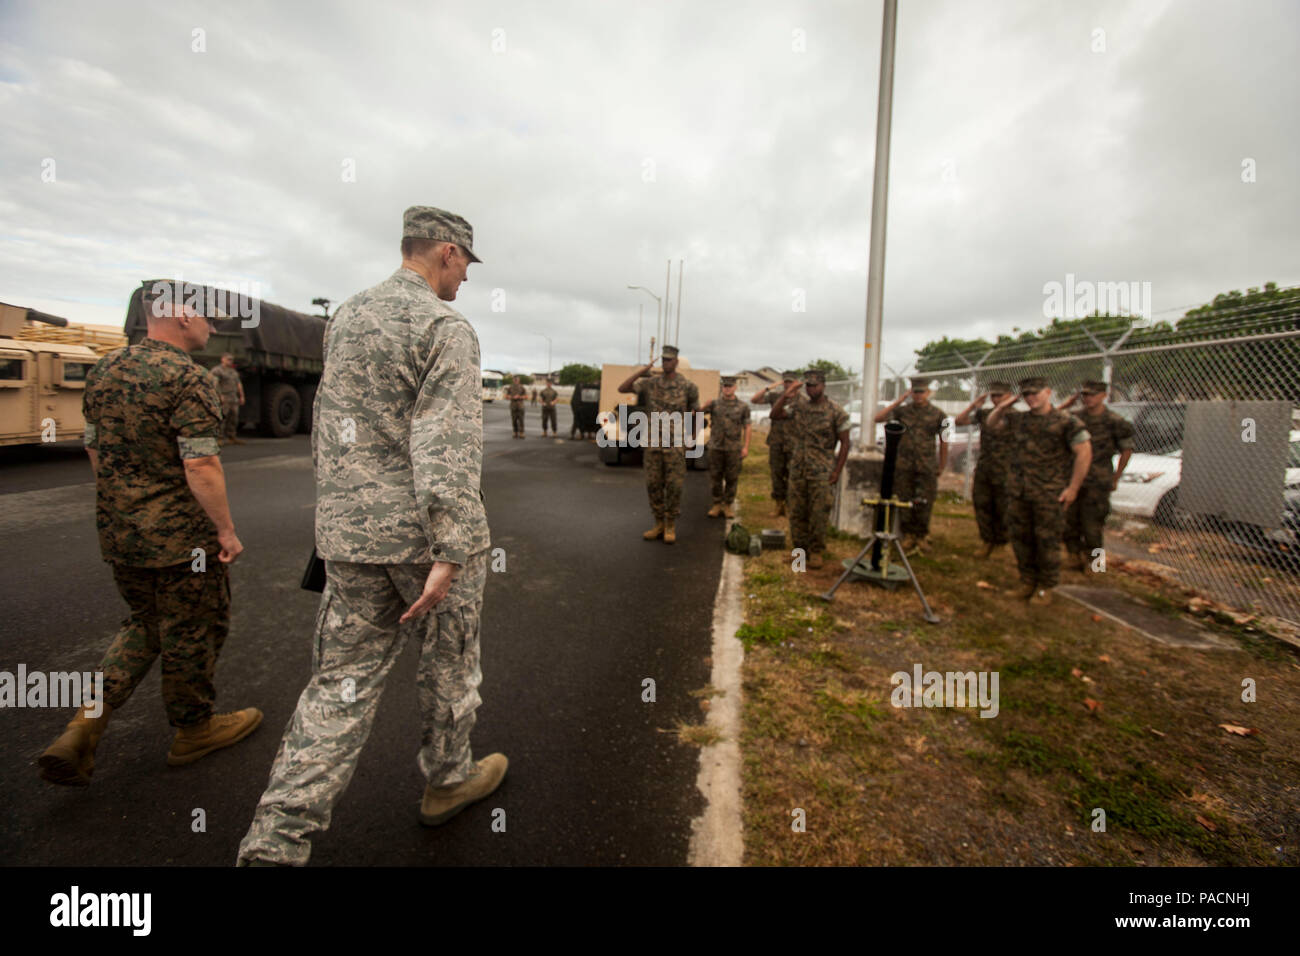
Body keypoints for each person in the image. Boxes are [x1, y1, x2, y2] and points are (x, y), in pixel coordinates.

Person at [237, 205, 504, 866]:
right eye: (466, 264)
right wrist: (451, 546)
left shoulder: (349, 315)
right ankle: (446, 781)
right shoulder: (444, 326)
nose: (466, 278)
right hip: (422, 542)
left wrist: (336, 522)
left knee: (338, 689)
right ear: (445, 251)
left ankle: (273, 845)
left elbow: (332, 429)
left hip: (349, 539)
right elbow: (444, 448)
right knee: (448, 669)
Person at [38, 291, 260, 787]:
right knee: (192, 629)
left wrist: (126, 495)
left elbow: (92, 446)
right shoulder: (187, 377)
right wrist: (224, 530)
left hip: (121, 529)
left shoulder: (104, 368)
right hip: (182, 539)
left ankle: (86, 723)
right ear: (182, 316)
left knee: (144, 624)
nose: (211, 327)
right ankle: (194, 729)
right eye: (205, 316)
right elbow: (200, 462)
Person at [986, 376, 1092, 604]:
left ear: (1048, 392)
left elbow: (1084, 452)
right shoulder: (1020, 420)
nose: (1031, 398)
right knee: (1021, 538)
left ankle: (1091, 568)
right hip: (1021, 491)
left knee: (1082, 532)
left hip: (1051, 492)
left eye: (1035, 393)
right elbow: (992, 424)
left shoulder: (1067, 421)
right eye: (1026, 394)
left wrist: (1074, 487)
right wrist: (1004, 405)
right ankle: (1028, 580)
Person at [618, 345, 699, 544]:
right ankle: (658, 523)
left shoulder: (688, 386)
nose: (666, 363)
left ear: (676, 362)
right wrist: (643, 370)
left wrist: (693, 439)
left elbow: (695, 413)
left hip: (675, 444)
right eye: (663, 360)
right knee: (653, 485)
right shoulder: (650, 383)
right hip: (653, 443)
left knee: (674, 485)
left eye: (669, 360)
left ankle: (670, 524)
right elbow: (623, 388)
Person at [770, 369, 850, 570]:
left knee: (818, 513)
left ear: (823, 386)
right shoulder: (799, 406)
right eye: (808, 385)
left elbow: (846, 443)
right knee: (797, 512)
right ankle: (799, 553)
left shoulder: (836, 411)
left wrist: (836, 471)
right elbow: (775, 414)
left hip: (821, 470)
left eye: (815, 385)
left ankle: (816, 552)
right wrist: (785, 396)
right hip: (798, 469)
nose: (811, 389)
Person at [1058, 380, 1134, 573]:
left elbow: (1126, 450)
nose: (1088, 399)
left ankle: (1097, 565)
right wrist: (1068, 402)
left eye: (1092, 395)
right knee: (1068, 521)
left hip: (1098, 482)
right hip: (1072, 478)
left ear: (1103, 396)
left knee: (1093, 526)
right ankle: (1074, 557)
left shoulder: (1115, 421)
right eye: (1085, 395)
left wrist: (1116, 477)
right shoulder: (1074, 418)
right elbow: (1052, 418)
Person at [875, 377, 948, 553]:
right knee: (904, 498)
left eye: (922, 392)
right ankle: (908, 535)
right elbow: (878, 418)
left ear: (928, 393)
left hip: (926, 464)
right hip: (904, 465)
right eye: (915, 392)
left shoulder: (939, 414)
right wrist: (899, 400)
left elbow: (945, 440)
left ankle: (921, 536)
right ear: (911, 393)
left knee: (925, 500)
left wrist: (942, 465)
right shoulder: (902, 412)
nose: (918, 395)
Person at [954, 381, 1015, 557]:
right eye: (993, 396)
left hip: (1006, 470)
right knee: (982, 504)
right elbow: (959, 421)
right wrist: (974, 405)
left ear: (1009, 396)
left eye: (1000, 396)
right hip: (985, 467)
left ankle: (1001, 542)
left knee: (1003, 507)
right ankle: (987, 541)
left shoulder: (1017, 416)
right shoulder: (984, 414)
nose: (996, 399)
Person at [702, 375, 751, 518]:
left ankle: (728, 505)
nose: (727, 389)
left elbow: (747, 427)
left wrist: (746, 447)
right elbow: (695, 414)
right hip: (716, 447)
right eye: (725, 386)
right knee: (715, 477)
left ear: (735, 388)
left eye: (730, 386)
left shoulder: (743, 407)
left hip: (734, 448)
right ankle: (717, 504)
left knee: (732, 478)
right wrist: (704, 406)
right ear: (722, 388)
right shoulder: (714, 404)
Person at [752, 371, 800, 515]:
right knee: (776, 474)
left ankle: (791, 505)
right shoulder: (776, 396)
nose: (787, 384)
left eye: (790, 382)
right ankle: (779, 505)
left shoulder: (802, 400)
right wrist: (769, 387)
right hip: (776, 441)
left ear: (796, 383)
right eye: (785, 381)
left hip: (794, 443)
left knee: (793, 475)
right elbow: (754, 399)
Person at [209, 353, 245, 445]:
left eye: (231, 360)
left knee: (233, 418)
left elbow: (238, 384)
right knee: (222, 418)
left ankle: (231, 437)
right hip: (224, 397)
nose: (230, 361)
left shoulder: (233, 372)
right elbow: (214, 384)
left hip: (233, 398)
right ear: (223, 359)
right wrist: (219, 396)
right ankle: (219, 438)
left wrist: (241, 396)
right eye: (228, 359)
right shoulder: (217, 370)